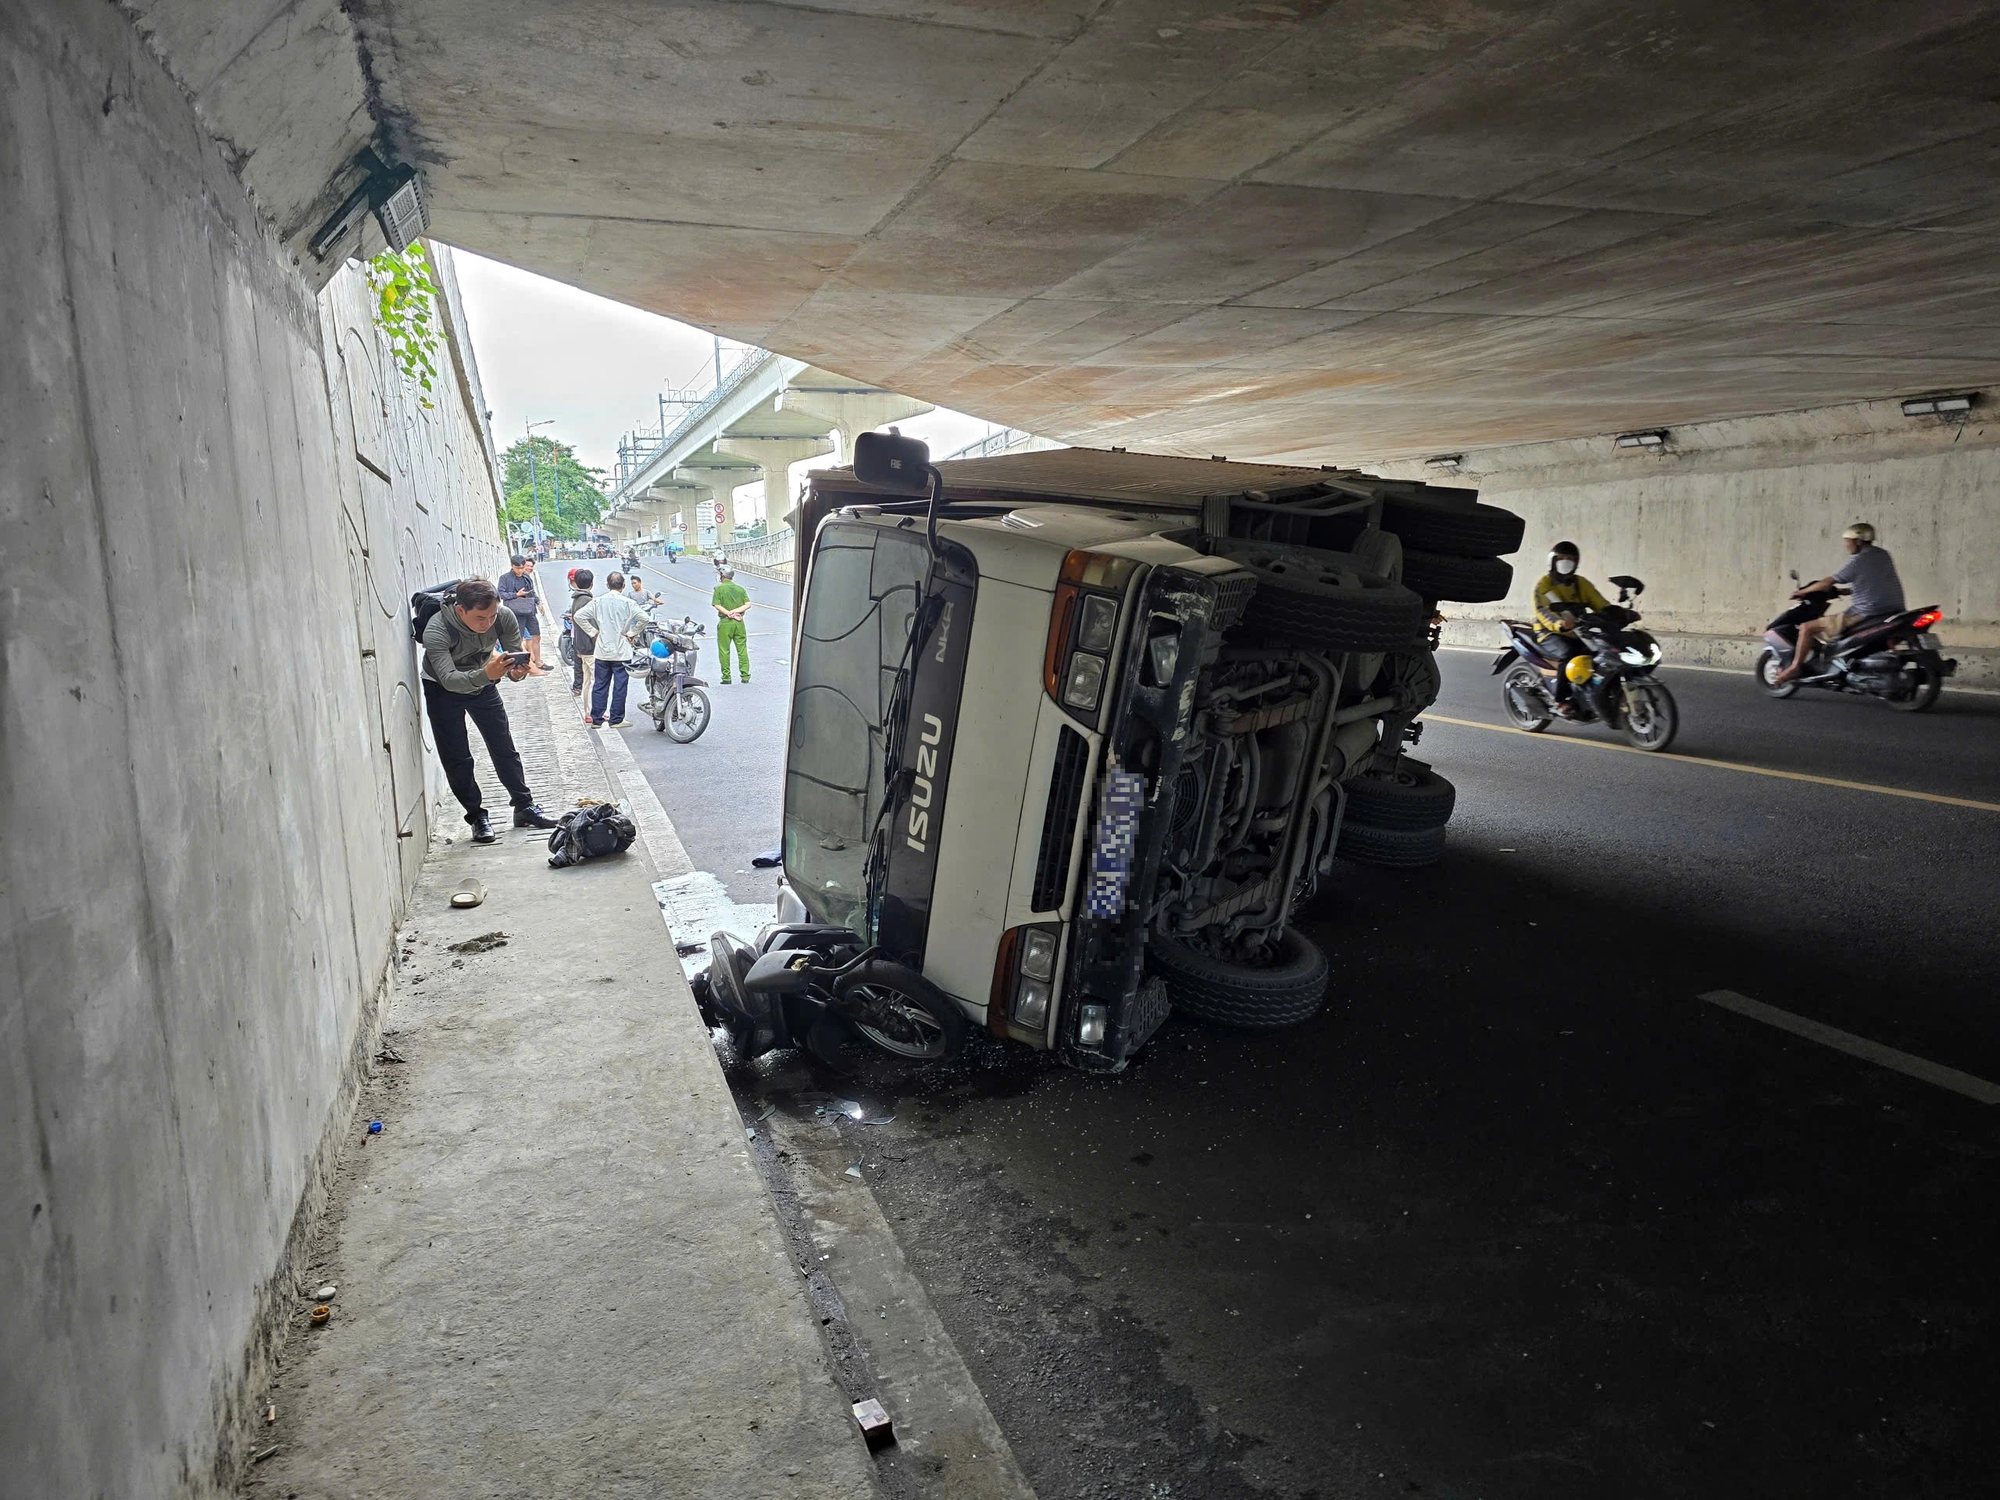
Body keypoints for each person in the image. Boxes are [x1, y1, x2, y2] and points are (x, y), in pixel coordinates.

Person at [419, 578, 559, 843]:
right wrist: (488, 674)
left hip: (484, 682)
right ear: (461, 611)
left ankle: (524, 806)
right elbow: (449, 679)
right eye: (480, 618)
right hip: (442, 688)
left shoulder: (503, 617)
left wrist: (517, 671)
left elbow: (514, 657)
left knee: (503, 745)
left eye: (492, 615)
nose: (487, 624)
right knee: (457, 756)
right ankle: (476, 816)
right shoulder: (437, 630)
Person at [1774, 522, 1906, 683]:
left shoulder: (1858, 561)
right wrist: (1844, 591)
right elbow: (1872, 584)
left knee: (1806, 628)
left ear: (1858, 541)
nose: (1845, 545)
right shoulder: (1883, 555)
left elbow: (1827, 582)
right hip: (1894, 610)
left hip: (1867, 612)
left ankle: (1794, 667)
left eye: (1847, 541)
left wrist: (1802, 592)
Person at [1530, 540, 1612, 717]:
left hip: (1577, 631)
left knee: (1598, 653)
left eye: (1570, 558)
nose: (1566, 561)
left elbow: (1600, 603)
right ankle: (1561, 700)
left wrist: (1617, 613)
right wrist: (1559, 624)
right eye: (1561, 558)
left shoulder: (1581, 584)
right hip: (1548, 631)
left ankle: (1585, 694)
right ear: (1553, 561)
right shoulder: (1544, 584)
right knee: (1569, 654)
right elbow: (1543, 610)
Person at [573, 571, 644, 727]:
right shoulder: (628, 603)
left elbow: (579, 616)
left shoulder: (598, 602)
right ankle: (616, 719)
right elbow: (644, 618)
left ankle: (596, 719)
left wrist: (592, 632)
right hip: (621, 651)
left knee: (600, 685)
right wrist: (631, 633)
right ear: (623, 586)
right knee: (620, 686)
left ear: (607, 585)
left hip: (602, 651)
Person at [495, 556, 549, 676]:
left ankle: (538, 661)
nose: (520, 571)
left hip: (529, 609)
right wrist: (516, 594)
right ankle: (521, 665)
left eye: (522, 568)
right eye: (517, 568)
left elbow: (532, 592)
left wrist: (538, 602)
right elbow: (501, 594)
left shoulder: (526, 577)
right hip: (515, 611)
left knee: (536, 635)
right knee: (517, 639)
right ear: (512, 566)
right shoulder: (505, 578)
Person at [712, 564, 752, 684]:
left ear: (722, 576)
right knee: (742, 649)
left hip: (725, 623)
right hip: (739, 622)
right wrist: (736, 612)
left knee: (724, 650)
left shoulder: (718, 589)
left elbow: (717, 605)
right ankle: (745, 676)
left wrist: (728, 613)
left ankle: (726, 677)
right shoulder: (740, 589)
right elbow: (748, 604)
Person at [566, 567, 596, 697]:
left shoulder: (576, 599)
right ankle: (595, 711)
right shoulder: (587, 601)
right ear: (591, 584)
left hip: (581, 644)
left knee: (587, 680)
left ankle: (589, 711)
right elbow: (591, 625)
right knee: (595, 680)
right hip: (589, 646)